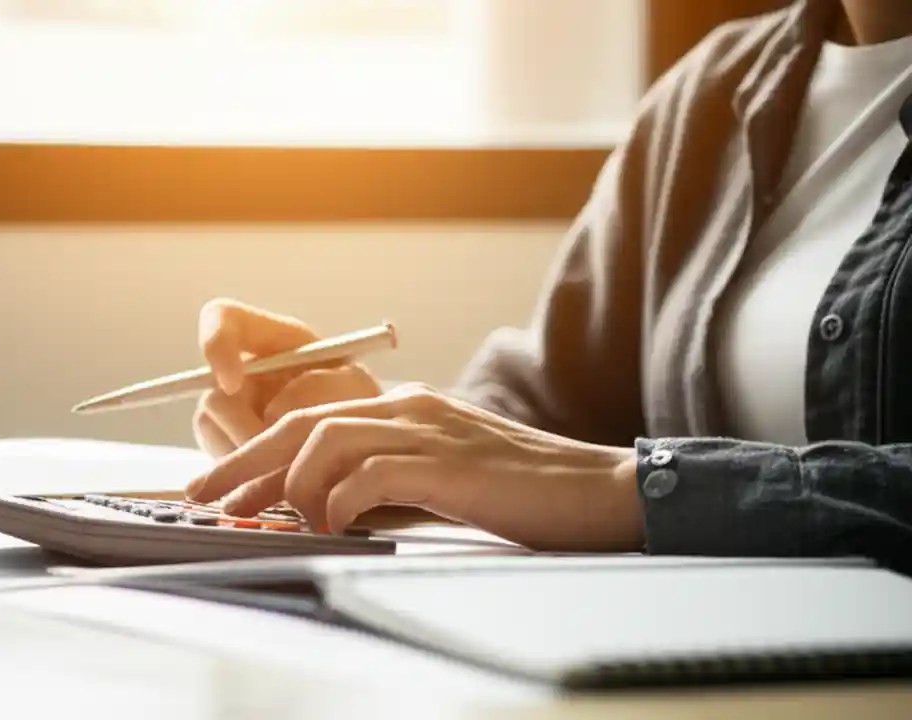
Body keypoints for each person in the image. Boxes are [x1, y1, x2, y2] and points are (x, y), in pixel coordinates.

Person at [183, 0, 912, 573]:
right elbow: (552, 412)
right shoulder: (711, 96)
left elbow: (577, 477)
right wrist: (379, 437)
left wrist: (633, 489)